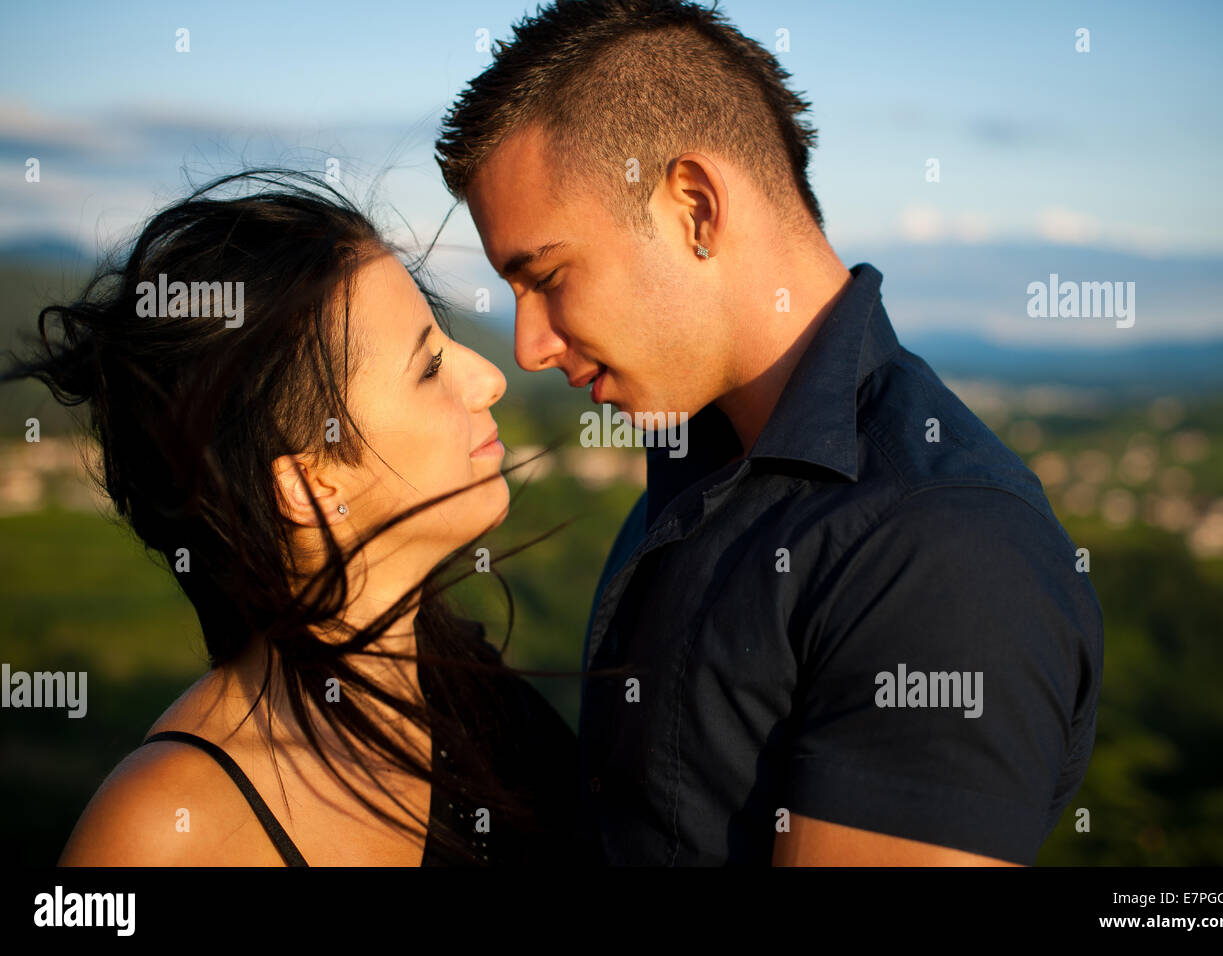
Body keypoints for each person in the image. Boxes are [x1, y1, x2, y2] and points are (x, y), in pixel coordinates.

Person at [434, 0, 1105, 865]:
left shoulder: (943, 548)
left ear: (695, 208)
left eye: (549, 275)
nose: (529, 346)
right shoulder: (702, 471)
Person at [0, 169, 582, 866]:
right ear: (306, 484)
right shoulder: (158, 837)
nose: (489, 377)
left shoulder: (478, 694)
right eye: (428, 368)